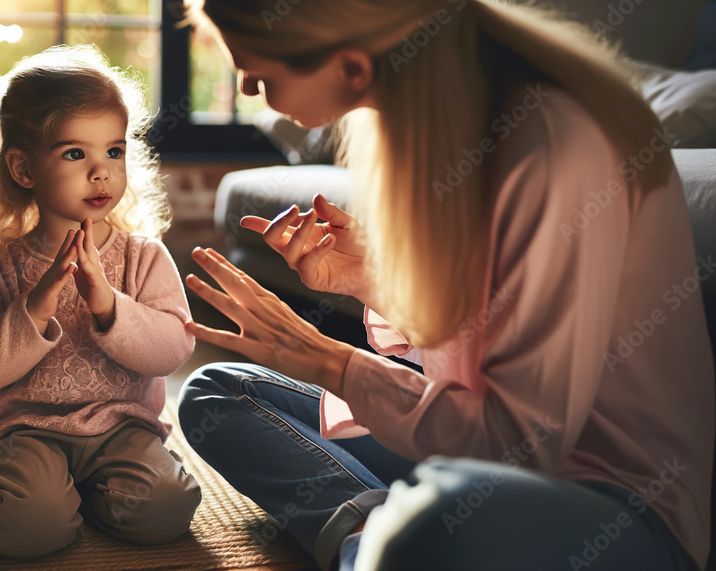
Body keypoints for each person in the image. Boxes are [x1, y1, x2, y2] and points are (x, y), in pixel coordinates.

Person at [176, 1, 714, 570]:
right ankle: (368, 537)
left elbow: (519, 445)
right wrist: (374, 280)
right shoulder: (448, 129)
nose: (250, 90)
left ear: (353, 67)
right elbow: (488, 345)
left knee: (432, 523)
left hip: (616, 507)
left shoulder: (552, 142)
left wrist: (326, 360)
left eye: (259, 73)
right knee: (218, 391)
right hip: (488, 469)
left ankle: (376, 536)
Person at [0, 45, 201, 559]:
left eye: (114, 151)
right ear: (23, 168)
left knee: (166, 509)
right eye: (75, 153)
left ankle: (78, 498)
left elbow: (173, 349)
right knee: (30, 530)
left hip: (121, 426)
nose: (100, 172)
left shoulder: (144, 257)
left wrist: (109, 306)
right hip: (27, 431)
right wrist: (34, 309)